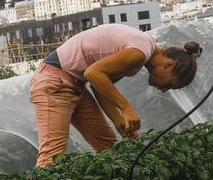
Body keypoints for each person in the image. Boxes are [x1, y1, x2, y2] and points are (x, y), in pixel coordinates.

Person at [29, 24, 202, 168]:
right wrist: (126, 108)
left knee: (108, 147)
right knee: (52, 156)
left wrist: (120, 123)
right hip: (55, 80)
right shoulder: (139, 52)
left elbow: (100, 85)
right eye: (170, 84)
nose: (164, 89)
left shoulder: (142, 51)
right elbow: (93, 73)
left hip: (74, 83)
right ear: (169, 65)